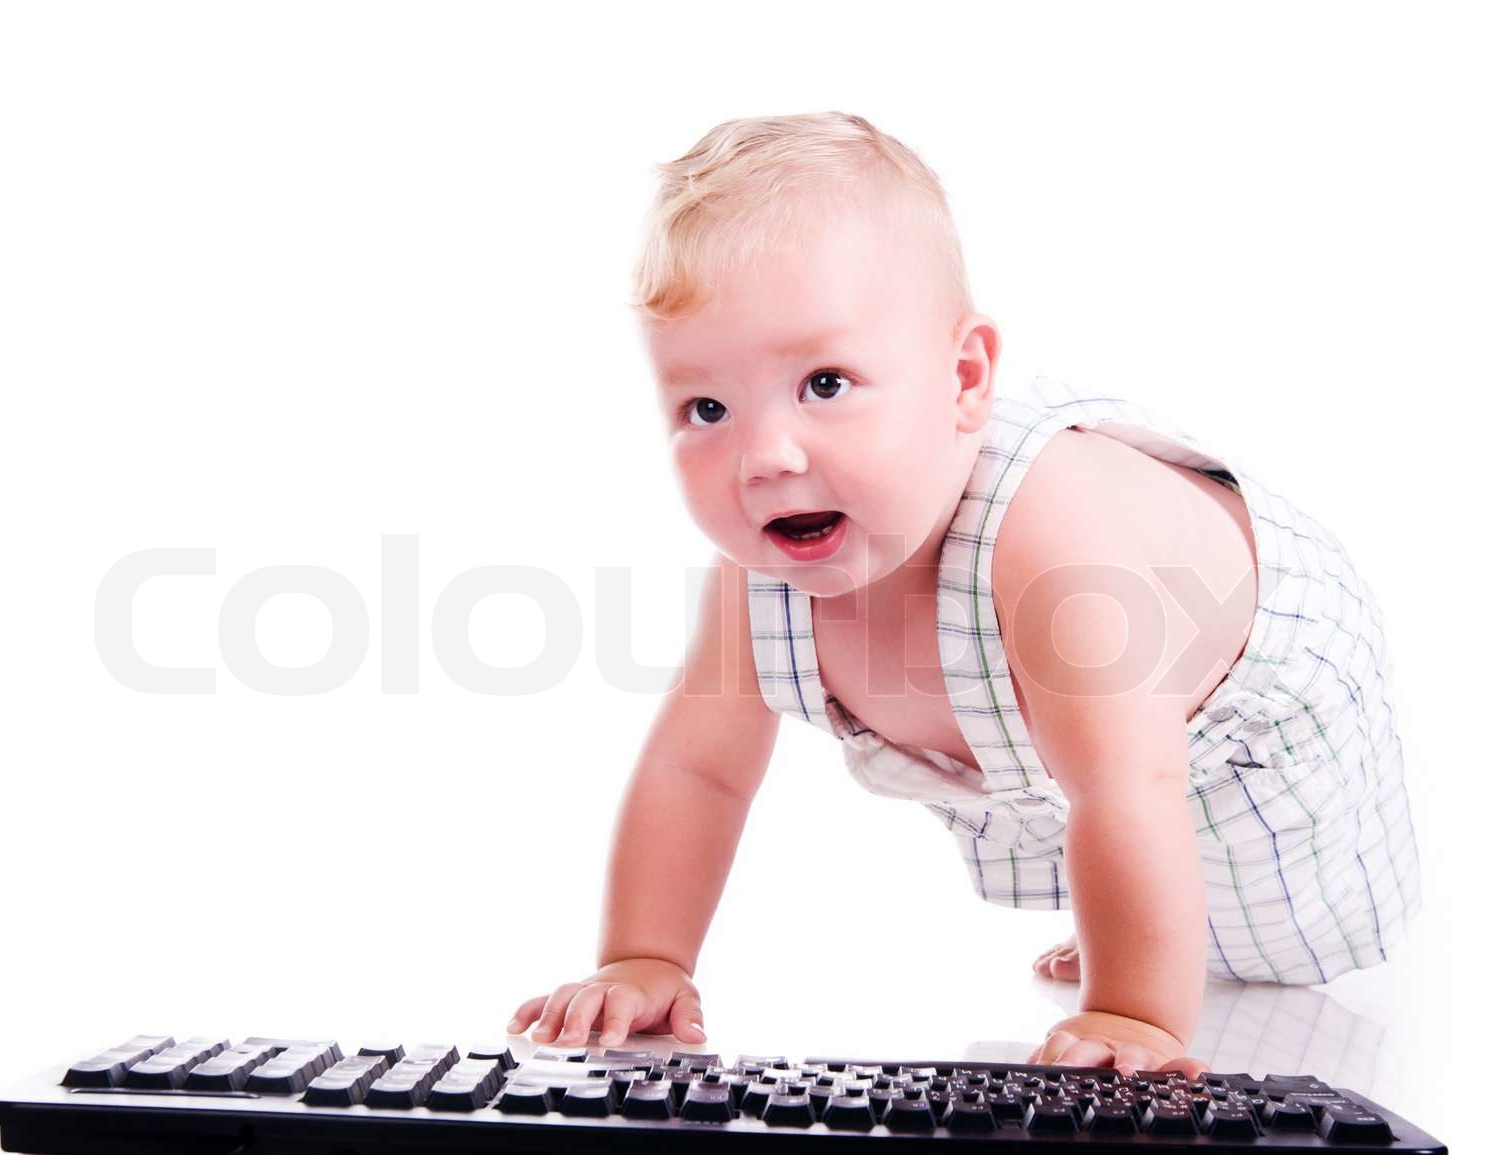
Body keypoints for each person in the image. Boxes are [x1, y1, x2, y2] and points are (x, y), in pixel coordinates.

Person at [505, 111, 1420, 1076]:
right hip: (1110, 779)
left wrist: (1133, 1014)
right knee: (1149, 868)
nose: (765, 457)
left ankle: (1171, 945)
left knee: (1292, 948)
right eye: (707, 408)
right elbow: (698, 771)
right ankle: (1163, 928)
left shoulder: (1051, 530)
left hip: (1263, 712)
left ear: (965, 377)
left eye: (825, 384)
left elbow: (1127, 786)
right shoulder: (760, 575)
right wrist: (644, 958)